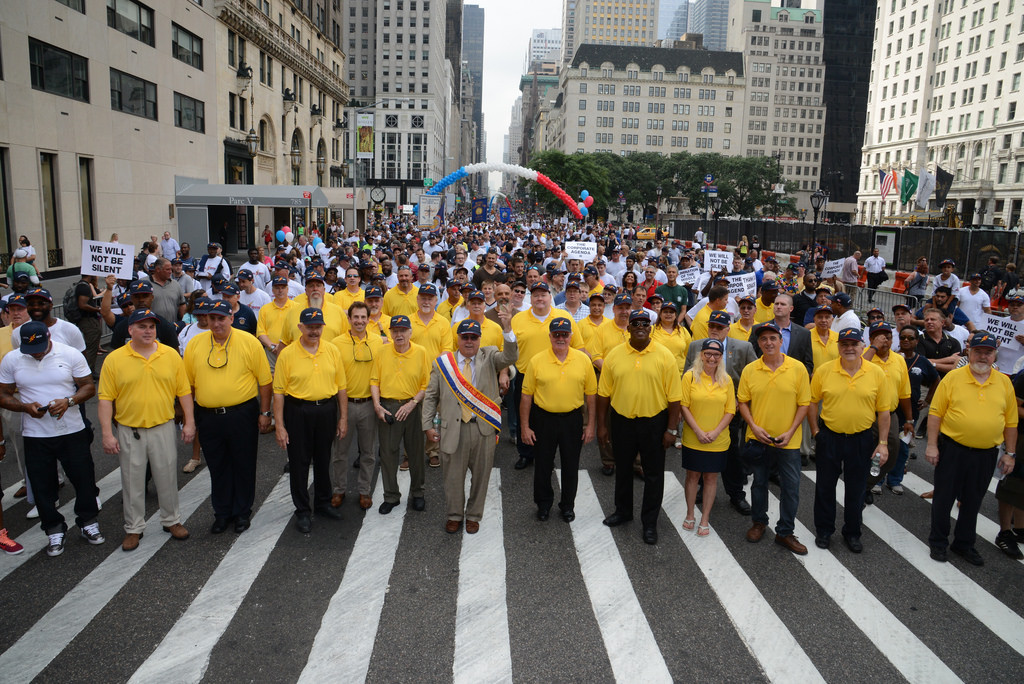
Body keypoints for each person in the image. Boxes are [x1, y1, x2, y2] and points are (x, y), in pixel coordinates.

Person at [0, 322, 102, 557]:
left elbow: (88, 387)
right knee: (42, 485)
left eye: (39, 348)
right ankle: (54, 529)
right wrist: (25, 407)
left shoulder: (69, 354)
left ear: (49, 337)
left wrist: (69, 401)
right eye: (30, 350)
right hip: (35, 434)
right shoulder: (12, 359)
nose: (35, 353)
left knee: (83, 478)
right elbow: (3, 394)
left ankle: (88, 522)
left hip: (72, 430)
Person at [98, 309, 195, 552]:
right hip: (130, 429)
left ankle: (171, 520)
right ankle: (134, 528)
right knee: (132, 480)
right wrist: (107, 433)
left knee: (167, 476)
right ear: (130, 330)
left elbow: (184, 392)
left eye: (151, 326)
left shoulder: (170, 355)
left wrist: (190, 422)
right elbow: (105, 399)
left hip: (163, 426)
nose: (148, 331)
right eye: (142, 326)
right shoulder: (115, 359)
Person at [926, 331, 1017, 565]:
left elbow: (1011, 422)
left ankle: (964, 544)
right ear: (969, 352)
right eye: (978, 351)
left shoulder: (1004, 382)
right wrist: (932, 445)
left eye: (988, 352)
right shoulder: (953, 378)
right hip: (952, 450)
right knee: (944, 498)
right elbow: (935, 414)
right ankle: (938, 542)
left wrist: (1010, 453)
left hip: (986, 454)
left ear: (995, 354)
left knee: (973, 500)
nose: (983, 356)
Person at [183, 301, 273, 534]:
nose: (216, 323)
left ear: (231, 318)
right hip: (208, 416)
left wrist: (265, 413)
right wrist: (189, 418)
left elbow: (265, 381)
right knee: (217, 466)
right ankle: (222, 513)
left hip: (241, 414)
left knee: (243, 464)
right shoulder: (195, 344)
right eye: (212, 318)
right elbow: (188, 385)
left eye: (221, 318)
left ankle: (242, 512)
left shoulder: (249, 342)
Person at [424, 315, 518, 534]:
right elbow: (431, 396)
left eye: (473, 337)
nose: (469, 341)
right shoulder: (443, 364)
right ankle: (454, 515)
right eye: (464, 337)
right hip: (452, 429)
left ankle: (474, 515)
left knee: (481, 476)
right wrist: (427, 425)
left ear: (479, 339)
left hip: (482, 428)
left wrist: (507, 329)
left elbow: (510, 356)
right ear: (457, 338)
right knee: (452, 477)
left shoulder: (490, 356)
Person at [597, 310, 682, 545]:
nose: (641, 327)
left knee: (653, 474)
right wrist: (601, 426)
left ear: (651, 328)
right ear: (629, 328)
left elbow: (675, 397)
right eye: (636, 323)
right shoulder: (614, 355)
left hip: (654, 423)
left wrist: (671, 430)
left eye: (645, 323)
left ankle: (650, 522)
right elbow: (603, 394)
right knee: (623, 469)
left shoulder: (664, 356)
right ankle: (623, 511)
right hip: (622, 421)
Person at [809, 327, 892, 553]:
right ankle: (824, 530)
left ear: (862, 346)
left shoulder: (876, 373)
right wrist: (816, 431)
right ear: (838, 347)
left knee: (856, 489)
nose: (849, 348)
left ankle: (852, 532)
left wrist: (883, 443)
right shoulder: (824, 371)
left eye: (854, 344)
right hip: (830, 437)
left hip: (861, 439)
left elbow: (884, 411)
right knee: (825, 487)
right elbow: (812, 402)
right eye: (844, 344)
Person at [737, 323, 812, 554]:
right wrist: (753, 426)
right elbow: (742, 402)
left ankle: (785, 532)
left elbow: (804, 404)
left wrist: (791, 431)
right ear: (758, 343)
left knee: (791, 487)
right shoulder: (750, 369)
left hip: (788, 441)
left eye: (772, 338)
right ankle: (759, 522)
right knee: (759, 483)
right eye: (763, 339)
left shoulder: (797, 368)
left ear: (781, 341)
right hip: (759, 438)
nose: (768, 342)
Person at [272, 308, 348, 534]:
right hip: (298, 411)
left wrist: (343, 418)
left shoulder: (332, 350)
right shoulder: (287, 354)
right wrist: (279, 425)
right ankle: (303, 510)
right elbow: (278, 393)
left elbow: (341, 387)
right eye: (310, 327)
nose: (314, 331)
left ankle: (323, 503)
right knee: (299, 462)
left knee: (323, 458)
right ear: (300, 327)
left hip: (326, 410)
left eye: (318, 327)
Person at [520, 317, 594, 524]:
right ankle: (543, 504)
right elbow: (526, 396)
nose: (561, 338)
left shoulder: (583, 360)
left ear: (571, 336)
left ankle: (567, 506)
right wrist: (525, 427)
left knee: (571, 465)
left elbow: (591, 396)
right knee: (543, 465)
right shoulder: (537, 360)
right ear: (550, 336)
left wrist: (590, 425)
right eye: (556, 335)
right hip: (543, 419)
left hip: (572, 420)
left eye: (565, 334)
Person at [509, 282, 584, 470]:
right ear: (531, 298)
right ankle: (525, 453)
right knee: (524, 416)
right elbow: (509, 349)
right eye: (536, 295)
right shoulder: (518, 319)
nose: (540, 298)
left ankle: (546, 455)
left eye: (543, 295)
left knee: (548, 420)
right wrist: (504, 372)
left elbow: (579, 346)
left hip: (556, 376)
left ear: (550, 297)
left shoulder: (563, 317)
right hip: (525, 375)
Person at [371, 315, 430, 514]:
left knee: (416, 453)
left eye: (403, 330)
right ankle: (391, 496)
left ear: (410, 332)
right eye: (395, 331)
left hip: (412, 407)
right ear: (390, 333)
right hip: (388, 407)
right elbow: (374, 380)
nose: (399, 334)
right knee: (388, 454)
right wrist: (377, 406)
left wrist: (413, 403)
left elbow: (426, 384)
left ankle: (418, 493)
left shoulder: (421, 352)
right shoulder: (382, 352)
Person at [330, 302, 384, 511]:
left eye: (363, 317)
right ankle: (339, 490)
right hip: (344, 405)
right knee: (340, 452)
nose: (360, 321)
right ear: (349, 319)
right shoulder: (336, 343)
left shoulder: (378, 342)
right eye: (356, 317)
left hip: (369, 405)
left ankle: (364, 491)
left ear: (369, 319)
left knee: (368, 452)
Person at [680, 338, 735, 537]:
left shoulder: (726, 380)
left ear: (721, 357)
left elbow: (730, 410)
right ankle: (690, 514)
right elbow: (684, 406)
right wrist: (698, 431)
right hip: (693, 437)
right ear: (701, 355)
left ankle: (704, 518)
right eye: (708, 354)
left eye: (716, 354)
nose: (712, 358)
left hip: (717, 440)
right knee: (692, 476)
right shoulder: (690, 377)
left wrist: (715, 432)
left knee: (711, 478)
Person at [749, 293, 813, 376]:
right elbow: (750, 357)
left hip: (792, 379)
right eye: (776, 304)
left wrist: (798, 377)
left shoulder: (804, 333)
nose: (778, 307)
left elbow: (808, 363)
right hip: (763, 377)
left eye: (783, 304)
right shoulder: (758, 329)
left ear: (791, 308)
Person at [72, 275, 102, 375]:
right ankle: (87, 373)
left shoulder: (82, 285)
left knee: (91, 347)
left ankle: (90, 371)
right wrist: (97, 309)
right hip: (87, 320)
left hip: (87, 319)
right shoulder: (84, 287)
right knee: (91, 348)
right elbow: (82, 305)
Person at [651, 301, 691, 375]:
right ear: (660, 314)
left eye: (671, 312)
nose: (668, 314)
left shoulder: (683, 331)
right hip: (657, 373)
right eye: (665, 312)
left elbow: (688, 353)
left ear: (676, 315)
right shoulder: (651, 330)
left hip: (679, 374)